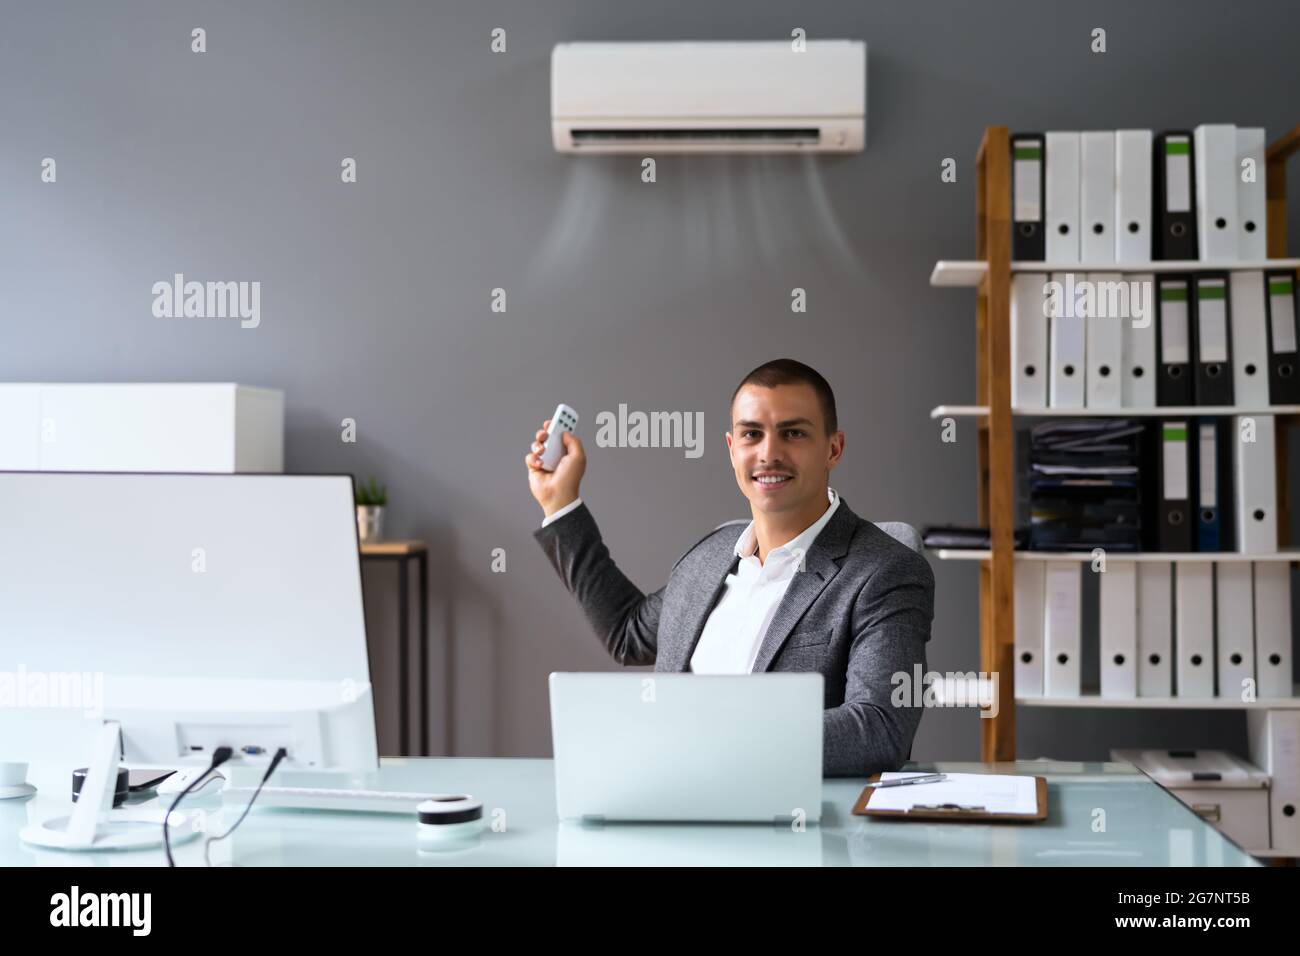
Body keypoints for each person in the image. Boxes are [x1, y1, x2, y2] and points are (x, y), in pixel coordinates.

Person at [525, 358, 934, 776]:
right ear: (732, 448)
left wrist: (715, 742)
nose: (769, 453)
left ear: (833, 448)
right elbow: (628, 634)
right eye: (751, 434)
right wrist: (560, 504)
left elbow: (881, 729)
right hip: (665, 802)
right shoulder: (711, 554)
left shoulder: (886, 570)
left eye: (793, 433)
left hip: (790, 825)